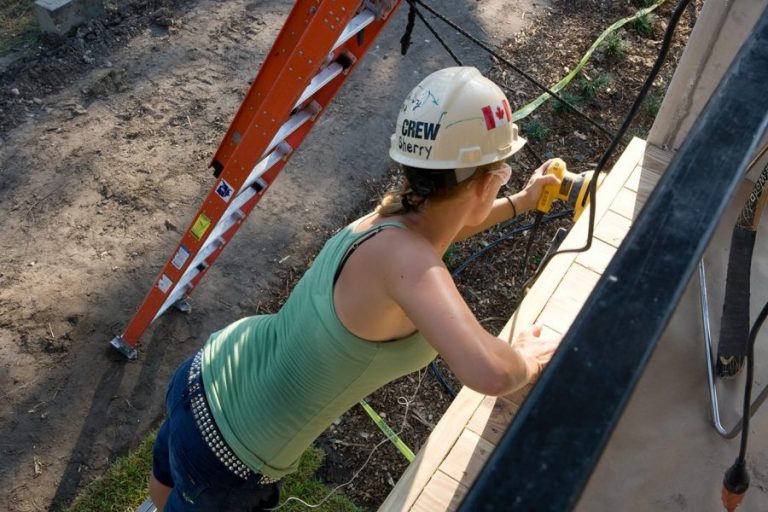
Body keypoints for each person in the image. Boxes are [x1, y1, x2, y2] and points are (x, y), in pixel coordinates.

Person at [149, 66, 561, 511]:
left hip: (207, 372)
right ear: (484, 183)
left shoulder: (389, 220)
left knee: (167, 486)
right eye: (502, 175)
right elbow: (491, 373)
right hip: (231, 451)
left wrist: (520, 202)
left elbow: (446, 229)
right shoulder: (408, 262)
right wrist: (528, 362)